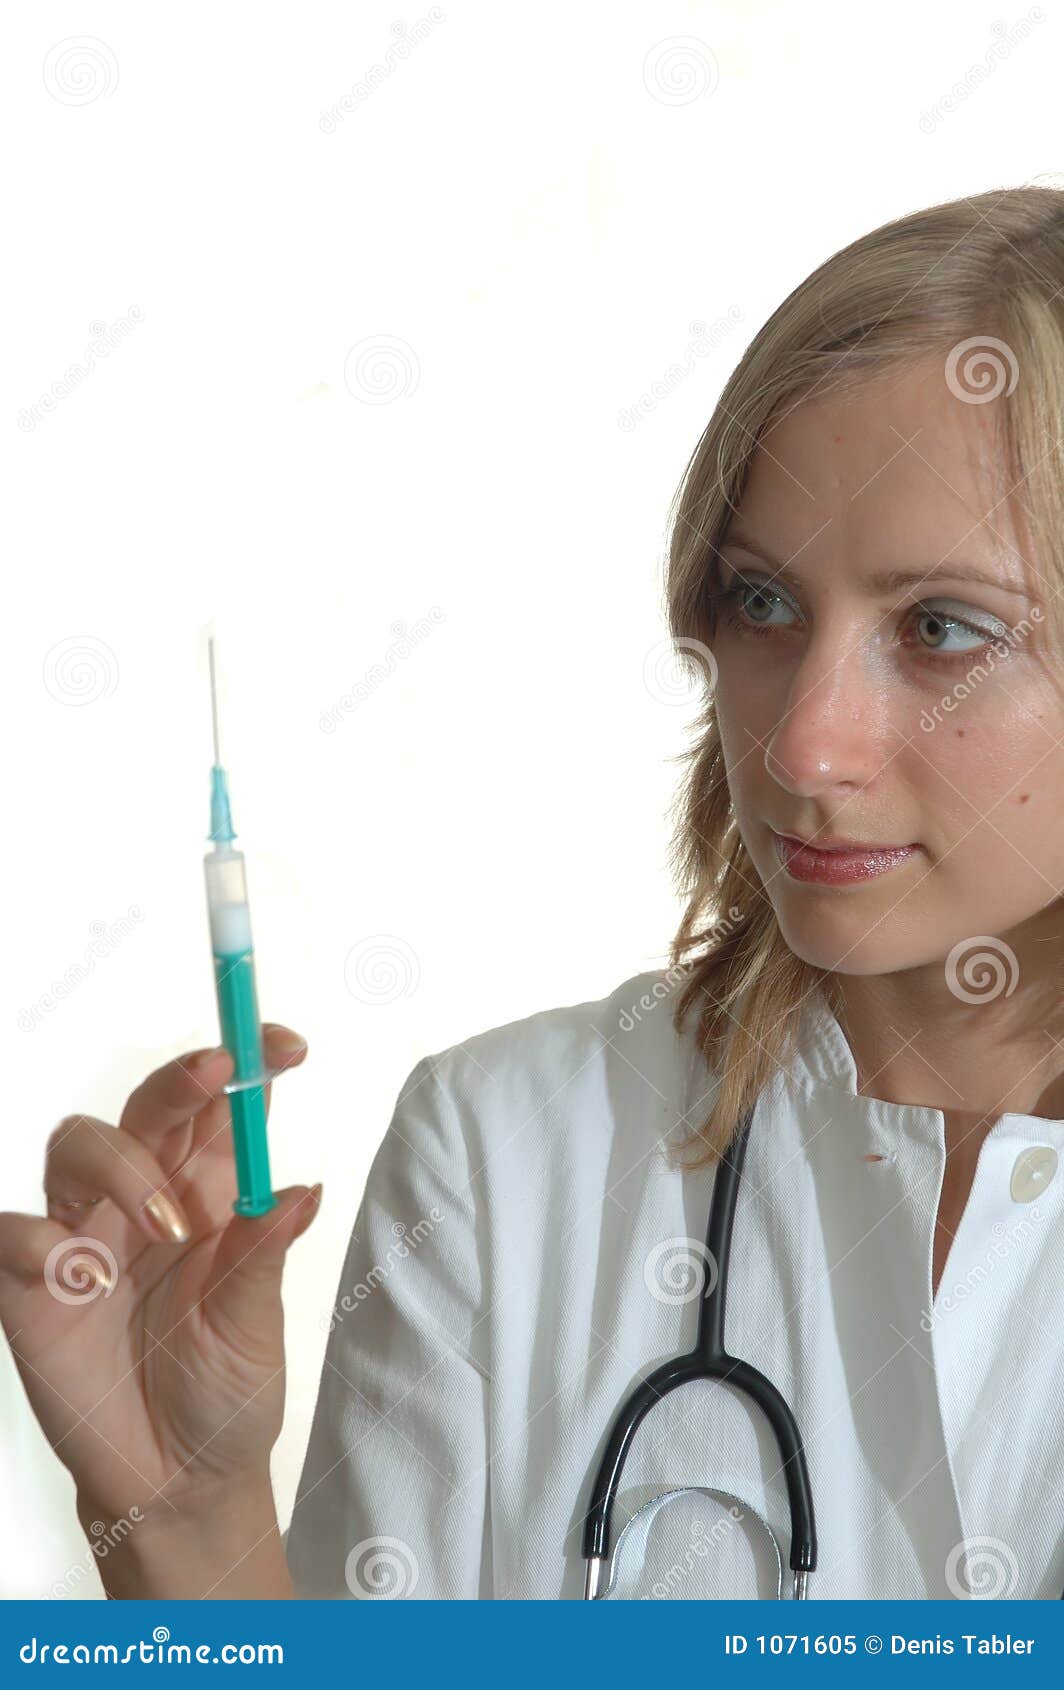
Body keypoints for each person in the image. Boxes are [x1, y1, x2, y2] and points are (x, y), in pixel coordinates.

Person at [6, 181, 1064, 1600]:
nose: (802, 740)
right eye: (763, 604)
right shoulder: (509, 1156)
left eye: (942, 629)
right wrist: (188, 1523)